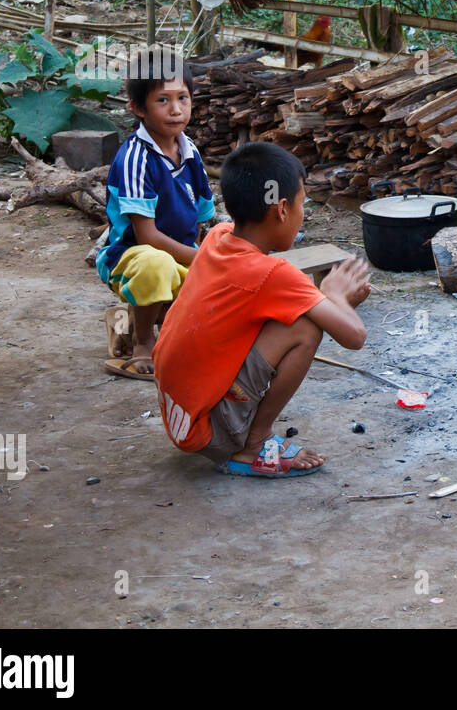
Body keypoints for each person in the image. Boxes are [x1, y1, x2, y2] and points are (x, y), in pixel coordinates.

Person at [151, 142, 371, 478]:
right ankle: (253, 443)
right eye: (302, 204)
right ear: (281, 209)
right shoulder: (272, 273)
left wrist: (328, 301)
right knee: (305, 327)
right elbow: (354, 336)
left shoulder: (217, 237)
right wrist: (333, 295)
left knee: (300, 311)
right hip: (208, 432)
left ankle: (242, 434)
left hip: (179, 415)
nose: (302, 214)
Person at [98, 46, 215, 380]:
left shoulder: (189, 151)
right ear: (138, 108)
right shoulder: (136, 158)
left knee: (225, 279)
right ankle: (142, 339)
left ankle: (128, 320)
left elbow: (202, 219)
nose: (176, 110)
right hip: (131, 259)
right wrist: (201, 260)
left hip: (179, 255)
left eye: (183, 98)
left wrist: (217, 253)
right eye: (162, 100)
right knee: (157, 265)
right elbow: (147, 236)